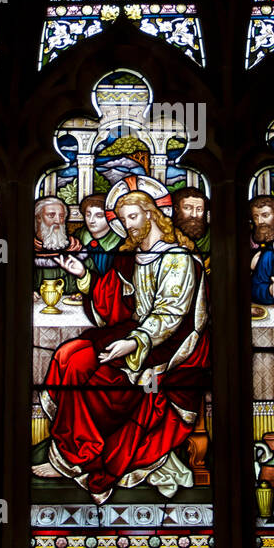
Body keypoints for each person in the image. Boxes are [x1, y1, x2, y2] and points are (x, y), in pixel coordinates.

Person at [32, 190, 210, 503]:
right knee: (68, 358)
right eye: (123, 218)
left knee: (99, 383)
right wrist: (84, 275)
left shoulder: (177, 258)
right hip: (134, 336)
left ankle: (95, 463)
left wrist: (132, 343)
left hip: (168, 349)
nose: (128, 224)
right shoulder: (131, 258)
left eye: (133, 215)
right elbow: (112, 302)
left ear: (151, 213)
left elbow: (171, 315)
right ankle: (72, 455)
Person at [34, 196, 83, 294]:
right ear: (39, 218)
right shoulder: (25, 249)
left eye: (61, 216)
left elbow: (97, 284)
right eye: (51, 215)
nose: (58, 221)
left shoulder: (76, 248)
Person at [77, 194, 121, 276]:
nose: (91, 220)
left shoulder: (121, 244)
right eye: (88, 215)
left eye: (99, 216)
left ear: (110, 217)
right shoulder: (76, 239)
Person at [172, 186, 210, 273]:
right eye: (187, 208)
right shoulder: (167, 236)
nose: (194, 214)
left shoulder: (213, 238)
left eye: (199, 209)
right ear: (176, 209)